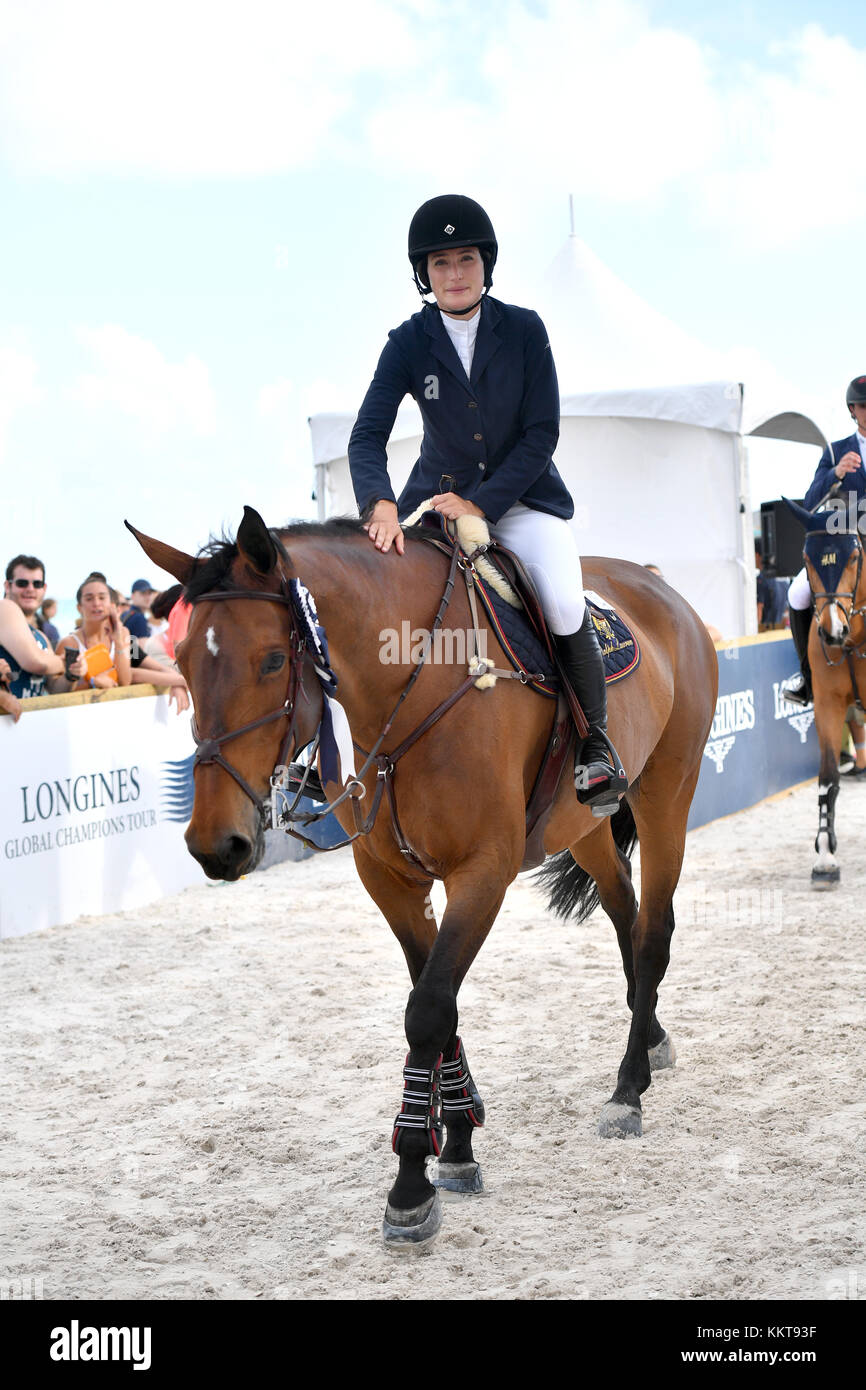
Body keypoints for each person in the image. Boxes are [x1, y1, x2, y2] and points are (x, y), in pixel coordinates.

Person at [347, 194, 624, 810]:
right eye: (441, 263)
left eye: (465, 259)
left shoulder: (524, 330)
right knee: (386, 603)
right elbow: (367, 435)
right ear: (425, 273)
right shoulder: (407, 342)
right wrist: (381, 504)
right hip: (433, 502)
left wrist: (481, 505)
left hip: (522, 501)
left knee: (560, 604)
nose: (454, 273)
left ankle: (594, 746)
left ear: (484, 264)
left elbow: (540, 435)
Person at [786, 375, 866, 704]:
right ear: (853, 409)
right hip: (844, 546)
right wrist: (835, 474)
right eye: (863, 406)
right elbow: (809, 500)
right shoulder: (835, 451)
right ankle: (806, 678)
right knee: (797, 593)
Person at [0, 554, 84, 707]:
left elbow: (54, 689)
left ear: (44, 589)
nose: (30, 589)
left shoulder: (41, 637)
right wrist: (64, 662)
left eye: (37, 584)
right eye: (22, 583)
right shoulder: (4, 608)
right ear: (7, 586)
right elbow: (36, 662)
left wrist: (71, 674)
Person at [57, 574, 133, 690]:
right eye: (89, 599)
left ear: (111, 604)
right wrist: (92, 683)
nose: (96, 603)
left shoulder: (123, 633)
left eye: (102, 598)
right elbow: (59, 691)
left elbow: (125, 681)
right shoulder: (69, 643)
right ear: (79, 608)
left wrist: (118, 641)